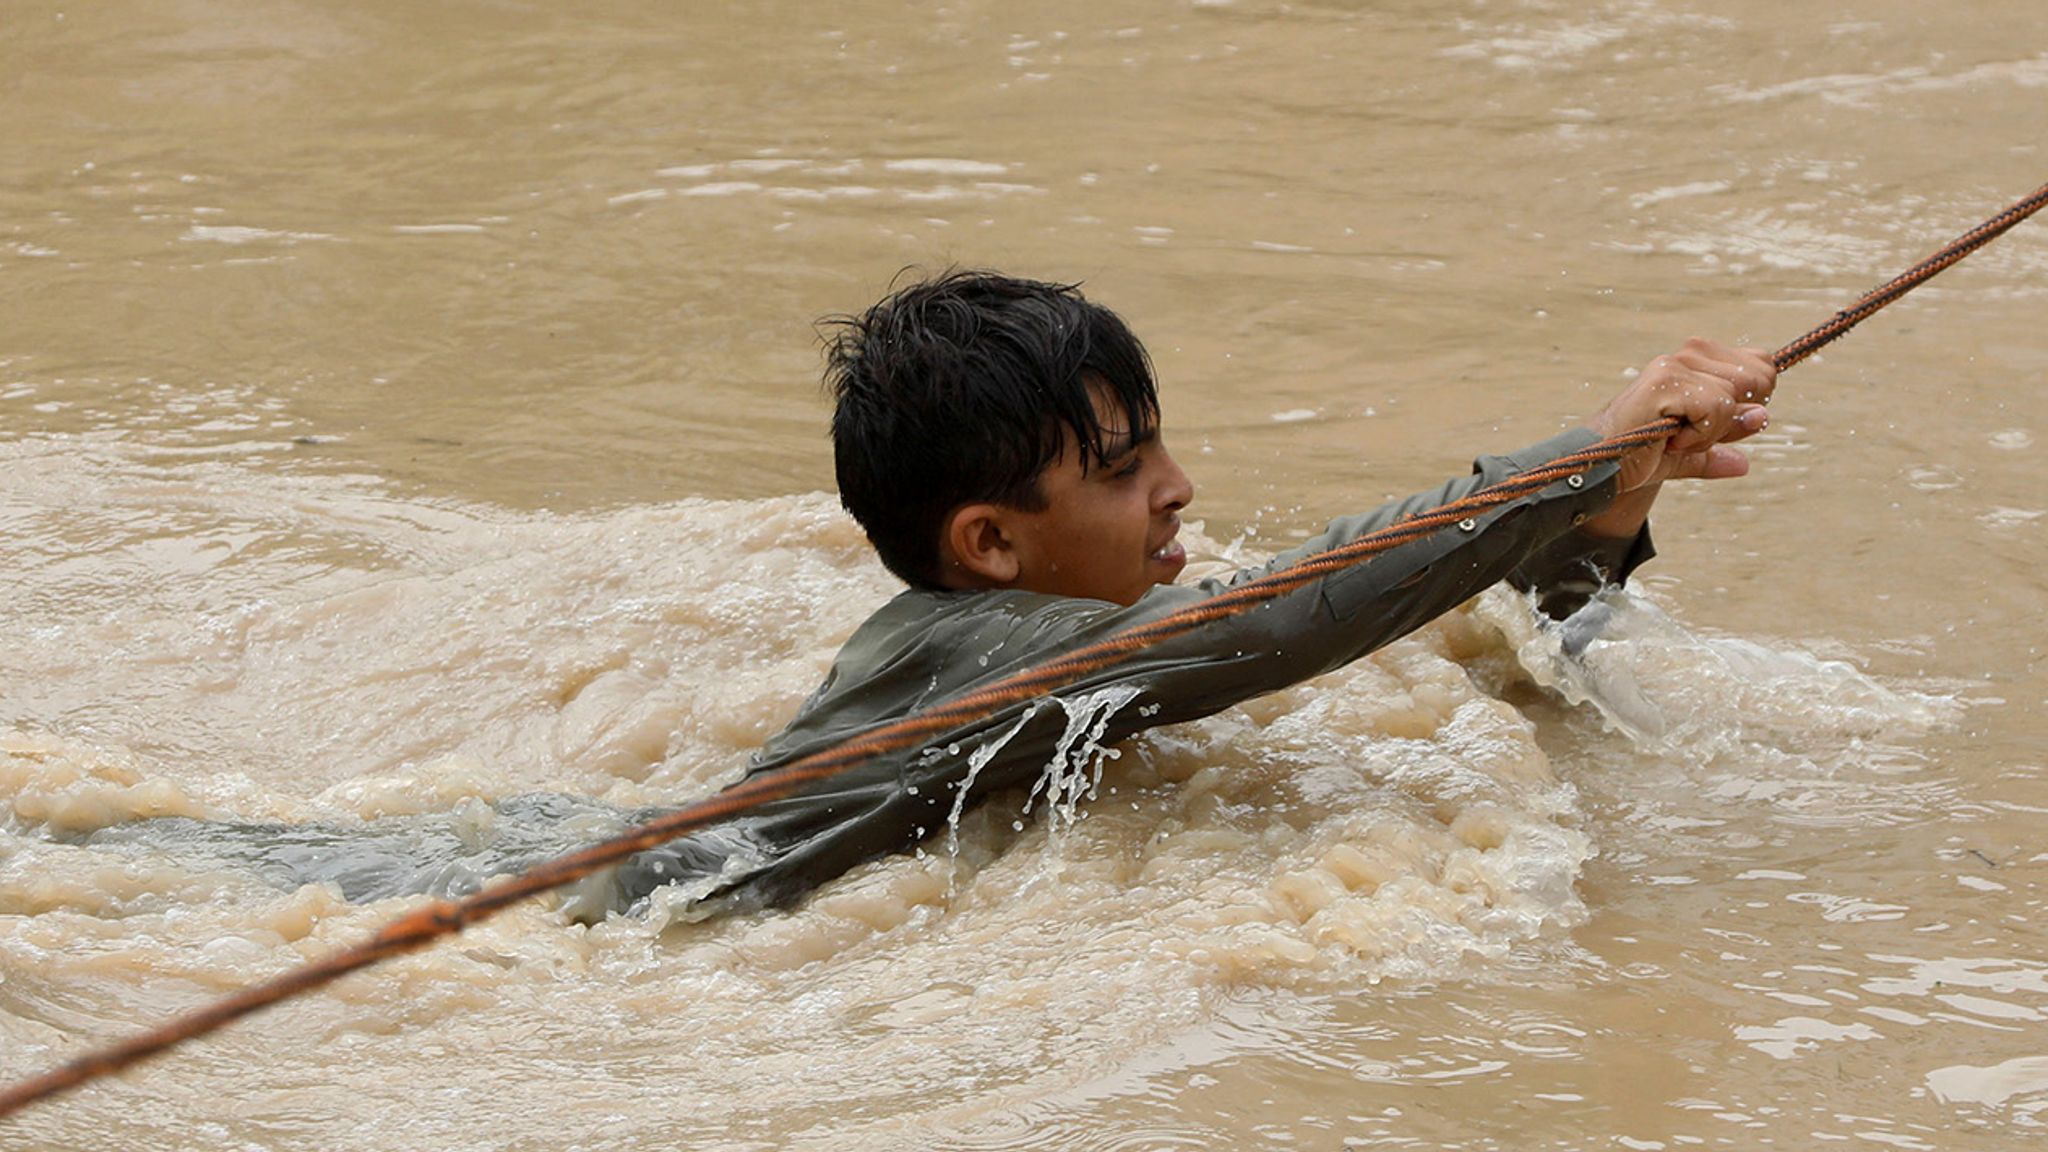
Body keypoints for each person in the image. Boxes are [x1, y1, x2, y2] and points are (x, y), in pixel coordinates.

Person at [600, 270, 1776, 917]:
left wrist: (1609, 499)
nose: (1178, 488)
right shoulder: (992, 647)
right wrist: (1577, 453)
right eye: (1120, 472)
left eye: (1156, 449)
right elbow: (1280, 618)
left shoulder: (1047, 628)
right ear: (991, 546)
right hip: (621, 899)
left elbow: (1487, 644)